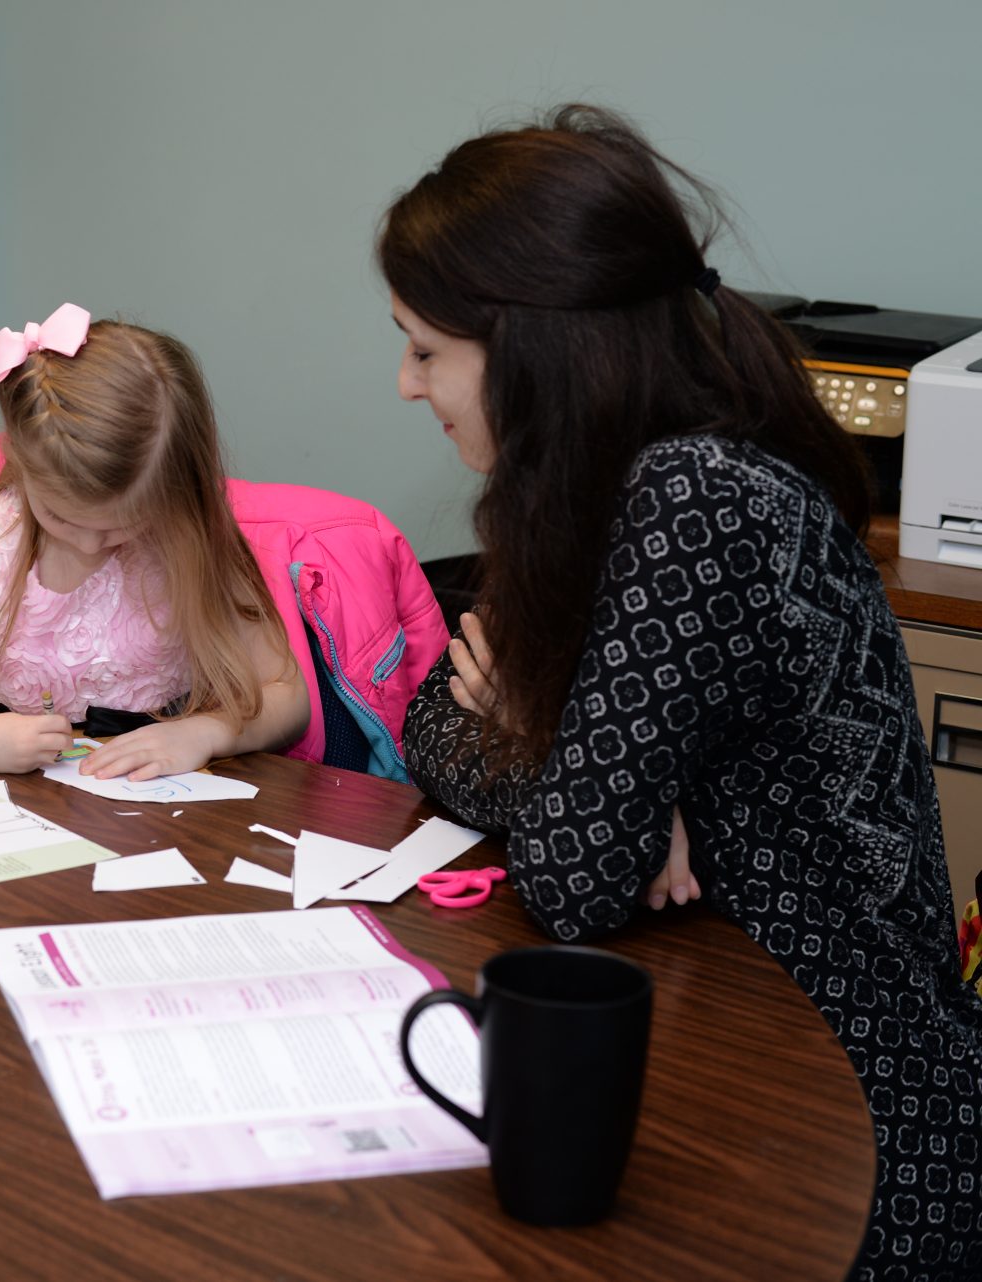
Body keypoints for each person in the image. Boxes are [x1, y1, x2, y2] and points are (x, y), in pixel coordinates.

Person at [381, 105, 980, 1278]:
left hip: (864, 1110)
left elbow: (571, 878)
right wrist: (576, 769)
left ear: (528, 344)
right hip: (719, 1024)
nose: (406, 385)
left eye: (424, 348)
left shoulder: (698, 497)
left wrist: (540, 748)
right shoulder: (591, 498)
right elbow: (426, 721)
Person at [0, 304, 311, 779]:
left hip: (154, 801)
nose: (91, 545)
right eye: (61, 517)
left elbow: (288, 698)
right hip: (1, 789)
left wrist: (206, 732)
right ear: (18, 461)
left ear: (175, 492)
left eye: (121, 525)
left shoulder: (190, 547)